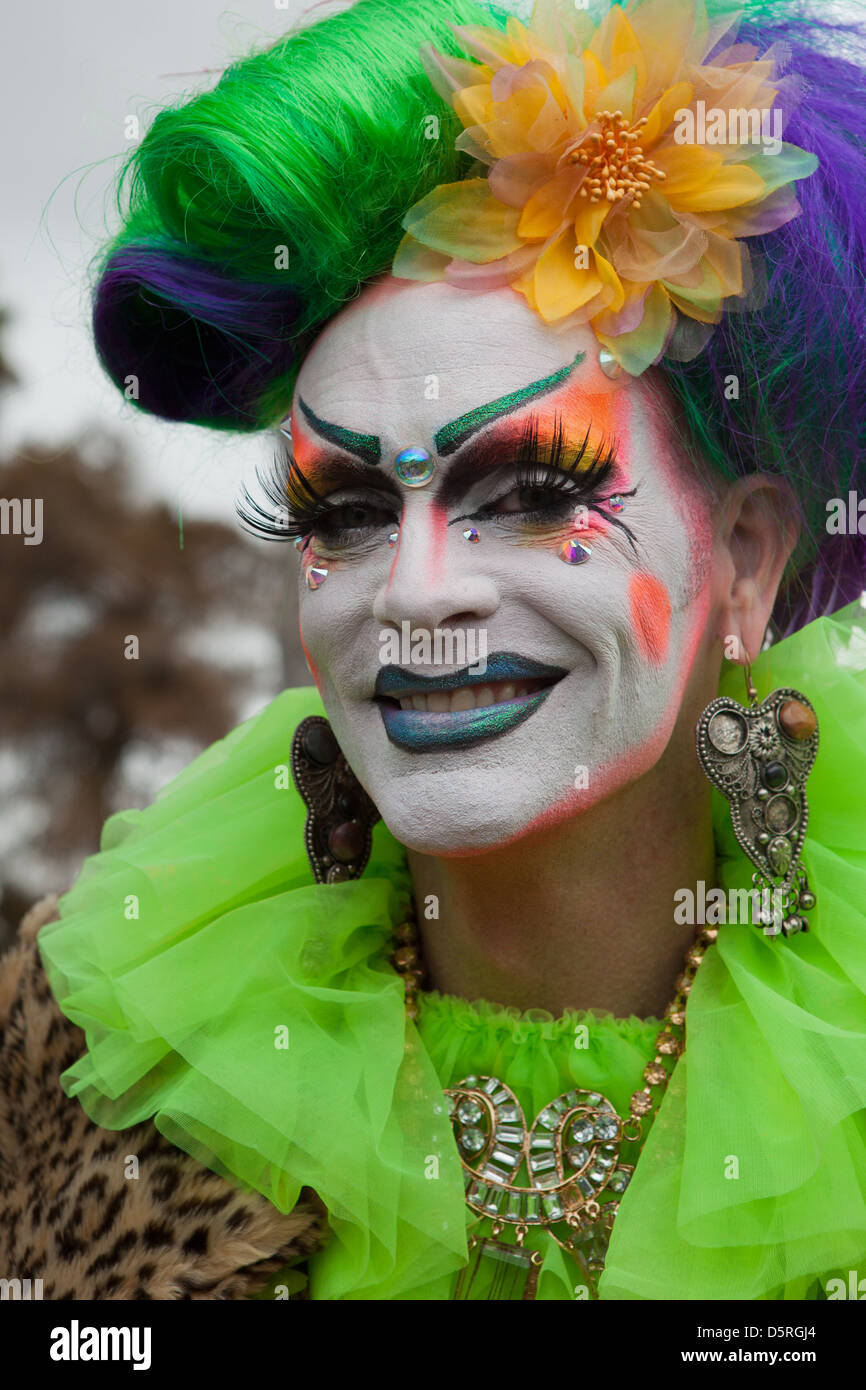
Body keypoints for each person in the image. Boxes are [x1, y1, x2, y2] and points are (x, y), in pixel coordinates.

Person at [2, 0, 866, 1301]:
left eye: (528, 493)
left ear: (742, 557)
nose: (414, 597)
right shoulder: (107, 1046)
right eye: (341, 514)